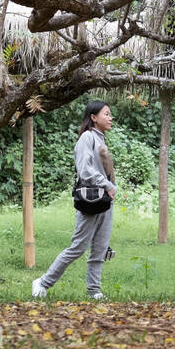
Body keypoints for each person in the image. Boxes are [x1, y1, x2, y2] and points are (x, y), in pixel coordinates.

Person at [32, 100, 118, 299]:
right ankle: (43, 282)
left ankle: (94, 291)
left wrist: (110, 188)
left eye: (110, 114)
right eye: (106, 114)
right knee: (78, 247)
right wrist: (106, 185)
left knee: (100, 248)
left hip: (105, 201)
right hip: (91, 199)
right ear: (93, 117)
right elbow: (85, 170)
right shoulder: (87, 138)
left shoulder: (101, 139)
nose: (110, 117)